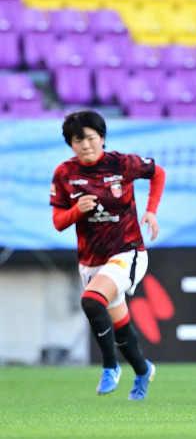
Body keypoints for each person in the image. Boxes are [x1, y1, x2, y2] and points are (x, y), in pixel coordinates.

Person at [50, 110, 163, 400]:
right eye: (78, 140)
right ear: (70, 144)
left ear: (101, 138)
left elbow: (157, 173)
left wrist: (150, 211)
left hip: (128, 252)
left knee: (90, 300)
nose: (85, 145)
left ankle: (110, 366)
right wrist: (78, 210)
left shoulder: (121, 163)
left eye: (90, 138)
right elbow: (59, 222)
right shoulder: (64, 174)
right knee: (121, 328)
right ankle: (142, 370)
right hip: (91, 261)